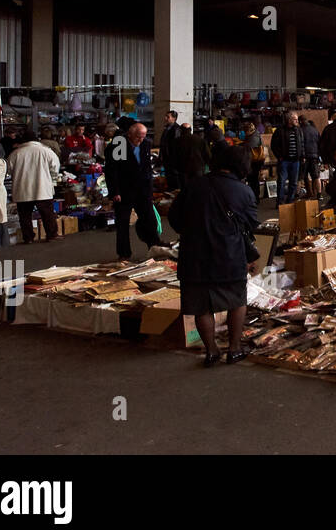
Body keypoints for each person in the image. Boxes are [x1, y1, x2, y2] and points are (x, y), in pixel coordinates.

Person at [168, 145, 260, 366]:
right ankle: (234, 349)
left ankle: (211, 351)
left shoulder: (193, 185)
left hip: (194, 255)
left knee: (202, 306)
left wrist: (194, 231)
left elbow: (174, 218)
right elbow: (250, 223)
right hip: (229, 254)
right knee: (236, 300)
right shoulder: (243, 191)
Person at [105, 122, 162, 259]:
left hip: (142, 189)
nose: (140, 140)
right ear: (129, 134)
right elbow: (113, 170)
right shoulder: (120, 144)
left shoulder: (146, 143)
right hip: (124, 190)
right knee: (123, 223)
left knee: (149, 219)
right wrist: (115, 191)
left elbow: (147, 168)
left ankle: (154, 247)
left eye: (143, 137)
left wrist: (150, 190)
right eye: (138, 137)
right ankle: (124, 253)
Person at [8, 130, 61, 243]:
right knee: (47, 213)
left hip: (22, 189)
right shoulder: (46, 151)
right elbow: (55, 167)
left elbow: (8, 170)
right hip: (42, 188)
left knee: (25, 215)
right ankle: (52, 235)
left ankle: (28, 238)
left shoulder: (16, 153)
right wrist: (52, 180)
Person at [269, 112, 305, 204]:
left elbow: (302, 144)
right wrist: (279, 156)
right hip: (284, 161)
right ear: (289, 120)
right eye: (295, 119)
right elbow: (273, 145)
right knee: (281, 182)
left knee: (294, 183)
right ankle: (280, 202)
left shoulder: (298, 130)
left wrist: (302, 156)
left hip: (295, 161)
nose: (297, 121)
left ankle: (290, 201)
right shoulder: (280, 130)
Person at [158, 111, 183, 191]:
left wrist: (172, 158)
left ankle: (175, 191)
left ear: (174, 118)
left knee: (173, 175)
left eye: (168, 117)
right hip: (167, 156)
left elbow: (175, 145)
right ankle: (171, 189)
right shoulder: (168, 127)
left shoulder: (176, 129)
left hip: (172, 158)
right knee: (169, 175)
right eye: (166, 116)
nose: (166, 118)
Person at [245, 121, 266, 200]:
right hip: (255, 161)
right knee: (253, 180)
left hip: (255, 161)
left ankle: (255, 198)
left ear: (248, 130)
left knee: (253, 180)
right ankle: (254, 197)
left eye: (245, 131)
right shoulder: (254, 134)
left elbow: (248, 147)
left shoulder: (253, 137)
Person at [302, 118, 321, 199]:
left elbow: (301, 144)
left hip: (305, 157)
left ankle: (309, 192)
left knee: (304, 176)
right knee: (316, 176)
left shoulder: (301, 130)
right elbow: (320, 143)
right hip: (314, 156)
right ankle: (319, 194)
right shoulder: (315, 130)